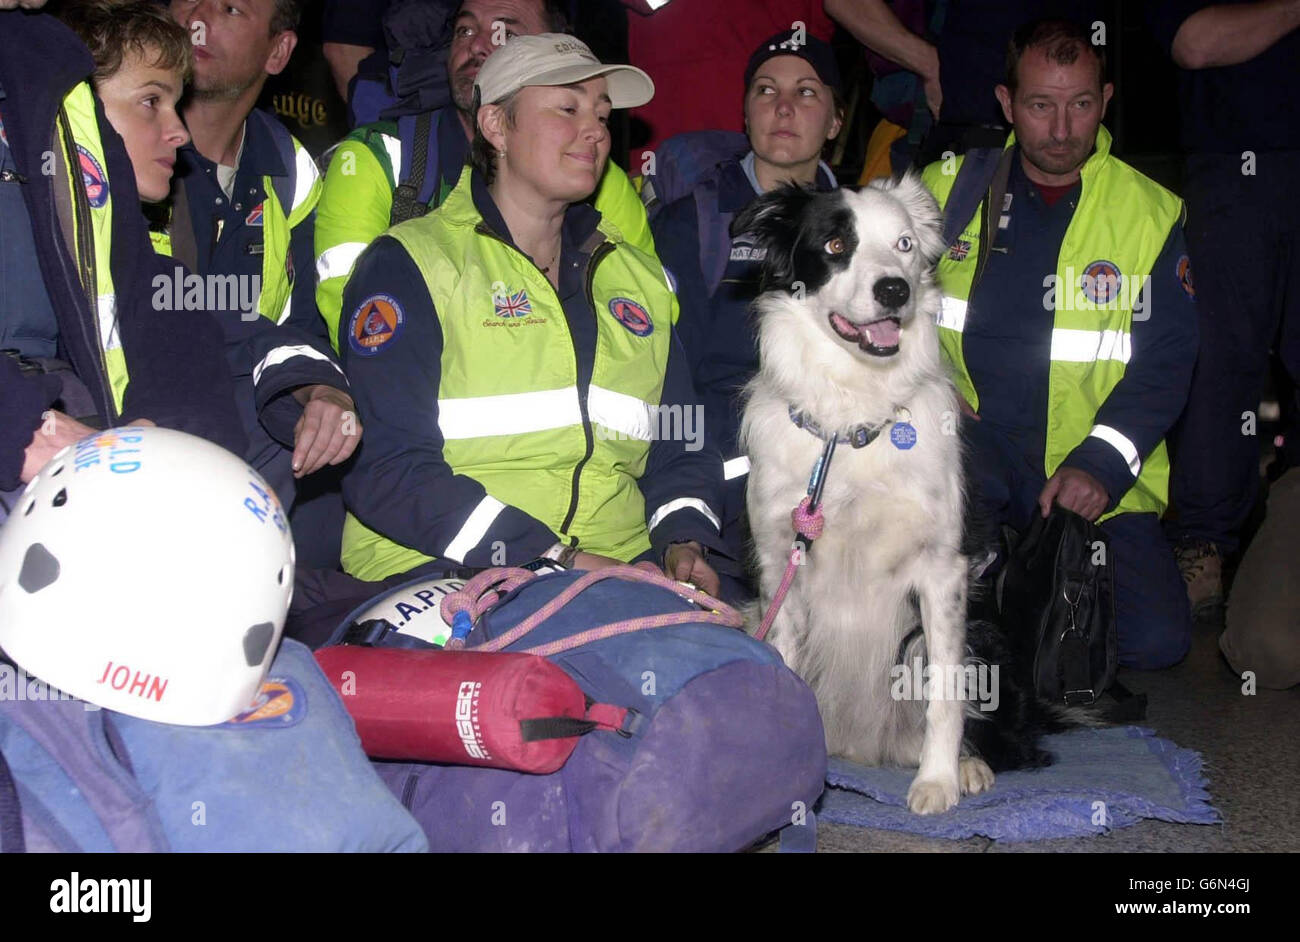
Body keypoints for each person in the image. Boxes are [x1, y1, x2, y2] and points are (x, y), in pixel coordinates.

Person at [337, 34, 725, 595]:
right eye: (567, 108)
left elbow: (681, 441)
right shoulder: (410, 264)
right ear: (496, 126)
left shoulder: (638, 278)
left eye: (601, 114)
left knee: (738, 677)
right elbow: (388, 471)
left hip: (612, 570)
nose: (594, 129)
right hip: (437, 572)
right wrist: (554, 558)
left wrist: (683, 542)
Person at [921, 19, 1200, 669]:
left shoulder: (1150, 213)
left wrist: (1099, 467)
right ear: (1007, 103)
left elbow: (1166, 365)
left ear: (1105, 102)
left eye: (1080, 104)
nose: (1062, 127)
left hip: (1091, 482)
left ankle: (1020, 597)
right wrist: (928, 386)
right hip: (978, 458)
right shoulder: (945, 189)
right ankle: (982, 601)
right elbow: (879, 310)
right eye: (1041, 105)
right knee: (949, 473)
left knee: (1155, 642)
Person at [0, 0, 243, 520]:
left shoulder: (142, 263)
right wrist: (22, 425)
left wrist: (150, 442)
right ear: (69, 111)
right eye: (150, 100)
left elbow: (212, 341)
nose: (179, 132)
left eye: (176, 105)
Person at [315, 0, 654, 348]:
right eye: (465, 30)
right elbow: (359, 323)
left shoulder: (595, 175)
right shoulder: (383, 159)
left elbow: (651, 317)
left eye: (504, 32)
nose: (477, 44)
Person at [165, 0, 359, 565]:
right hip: (121, 419)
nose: (197, 18)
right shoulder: (109, 145)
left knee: (332, 458)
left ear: (278, 51)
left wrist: (321, 389)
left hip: (245, 426)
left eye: (230, 7)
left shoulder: (291, 170)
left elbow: (300, 323)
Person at [650, 29, 843, 592]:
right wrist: (687, 516)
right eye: (765, 90)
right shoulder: (694, 223)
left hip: (839, 486)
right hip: (726, 498)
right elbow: (669, 380)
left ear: (835, 121)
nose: (783, 108)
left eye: (806, 93)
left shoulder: (864, 226)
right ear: (745, 111)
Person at [1146, 0, 1300, 621]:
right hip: (1236, 165)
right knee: (1219, 363)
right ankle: (1204, 544)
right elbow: (1195, 42)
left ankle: (1280, 543)